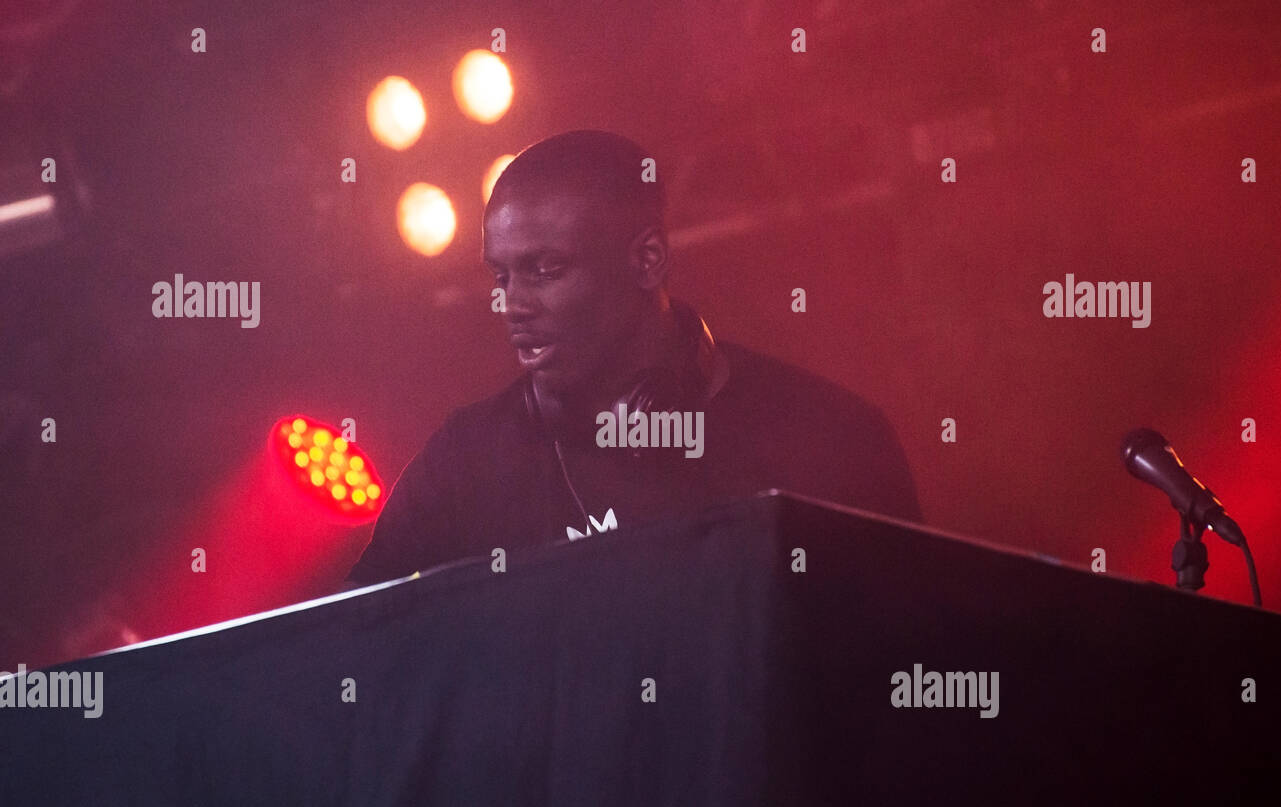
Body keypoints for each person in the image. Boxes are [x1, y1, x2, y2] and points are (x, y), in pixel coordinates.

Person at [344, 129, 922, 587]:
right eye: (501, 276)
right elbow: (346, 656)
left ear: (647, 260)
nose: (511, 304)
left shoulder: (831, 437)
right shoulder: (461, 465)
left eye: (546, 271)